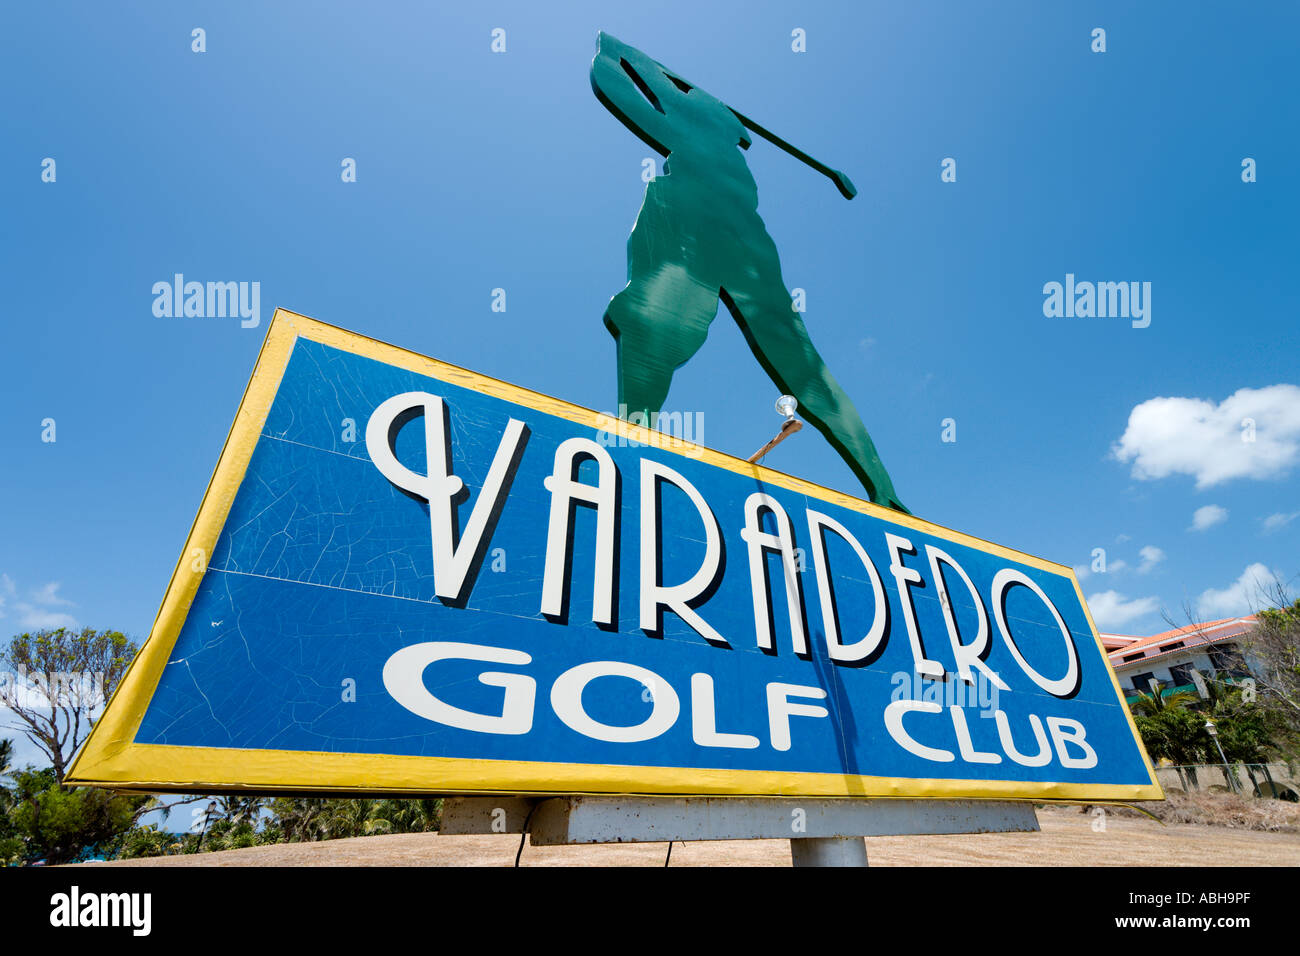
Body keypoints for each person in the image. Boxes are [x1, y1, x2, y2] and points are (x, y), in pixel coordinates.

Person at [591, 33, 908, 513]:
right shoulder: (677, 121)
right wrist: (646, 65)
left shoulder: (728, 153)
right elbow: (609, 67)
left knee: (803, 364)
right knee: (655, 327)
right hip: (684, 220)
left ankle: (883, 490)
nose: (739, 133)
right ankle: (631, 449)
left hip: (747, 241)